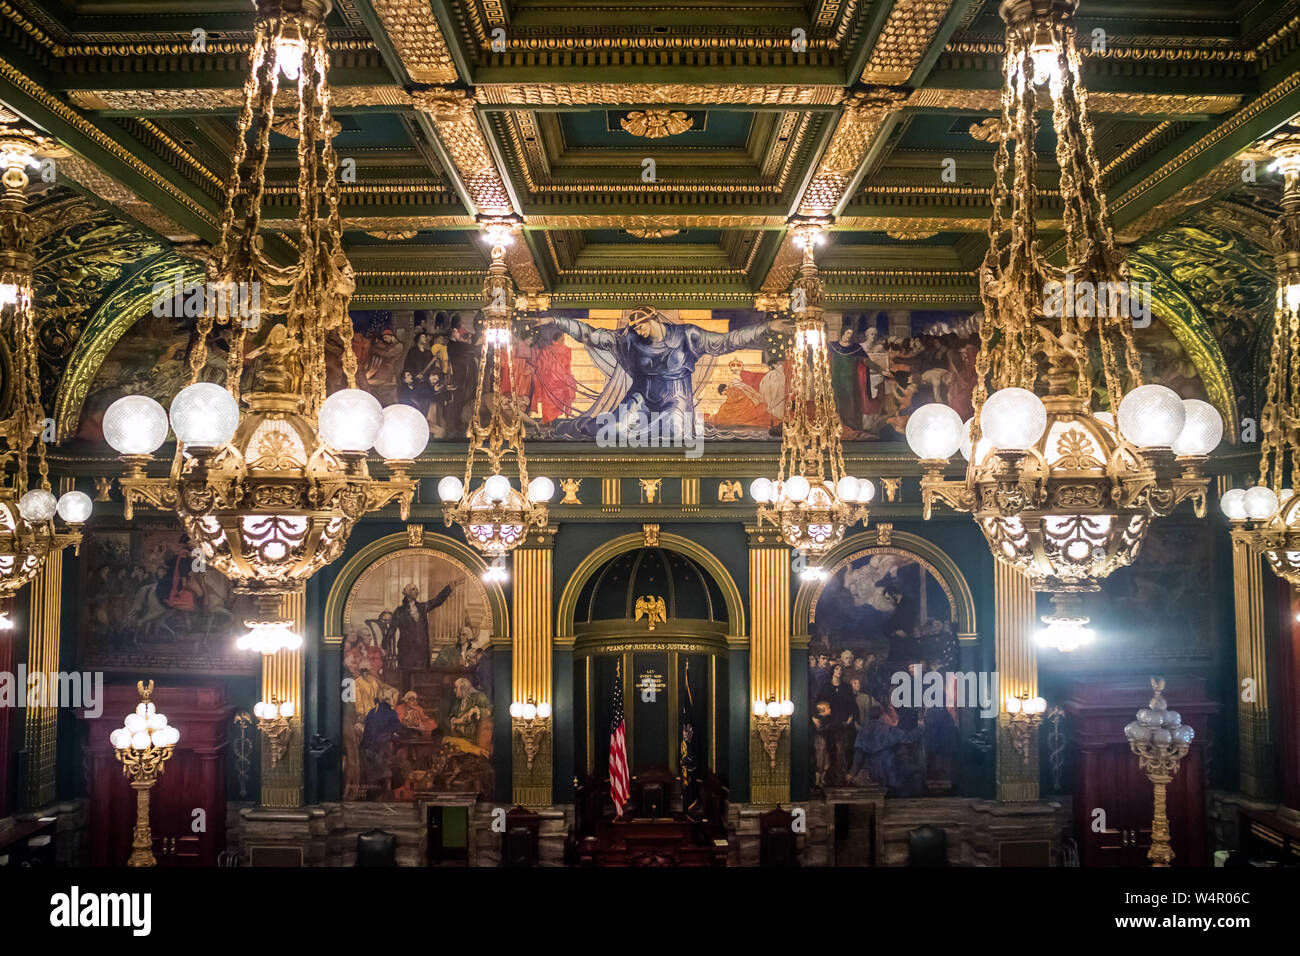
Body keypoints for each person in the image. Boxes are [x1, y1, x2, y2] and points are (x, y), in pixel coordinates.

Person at [537, 306, 789, 442]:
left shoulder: (687, 336)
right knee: (612, 431)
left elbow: (728, 340)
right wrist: (559, 322)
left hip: (674, 399)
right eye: (634, 326)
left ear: (653, 318)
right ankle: (580, 425)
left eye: (641, 324)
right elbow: (591, 335)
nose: (638, 330)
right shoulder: (628, 340)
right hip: (641, 397)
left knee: (674, 434)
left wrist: (766, 327)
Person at [393, 581, 460, 671]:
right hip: (406, 653)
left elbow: (437, 601)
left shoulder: (422, 607)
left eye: (417, 589)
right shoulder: (399, 611)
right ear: (407, 593)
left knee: (421, 678)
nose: (417, 591)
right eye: (413, 589)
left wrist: (450, 587)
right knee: (407, 678)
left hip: (421, 652)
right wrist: (384, 646)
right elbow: (391, 630)